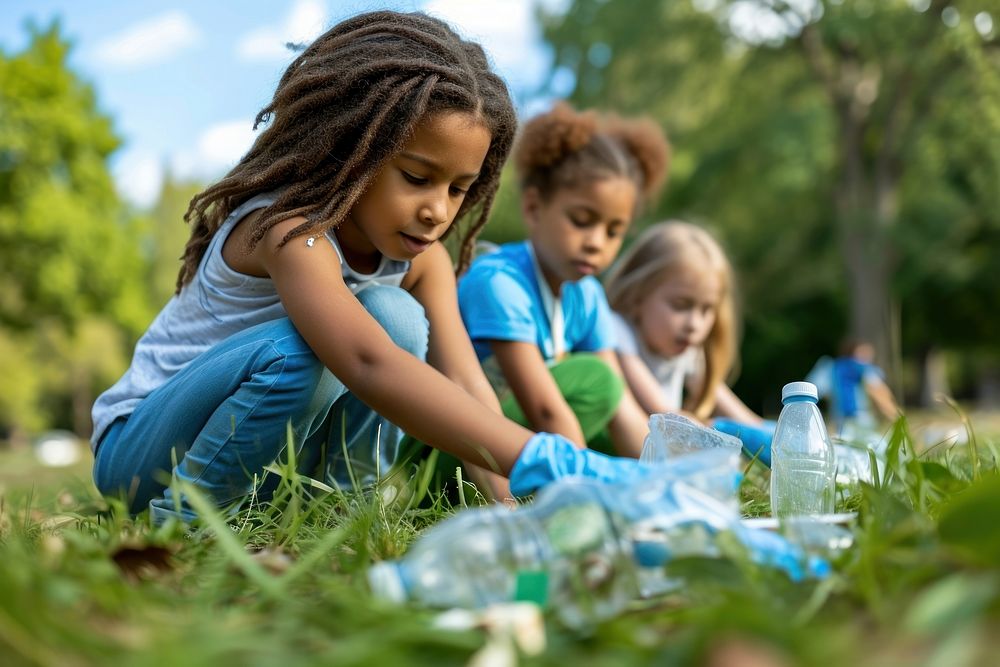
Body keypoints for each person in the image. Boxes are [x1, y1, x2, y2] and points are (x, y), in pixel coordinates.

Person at [90, 11, 649, 522]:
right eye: (416, 177)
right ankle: (185, 520)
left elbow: (464, 385)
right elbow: (365, 361)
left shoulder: (424, 262)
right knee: (304, 352)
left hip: (262, 464)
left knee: (395, 314)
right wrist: (548, 459)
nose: (438, 211)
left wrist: (514, 512)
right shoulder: (289, 233)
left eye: (459, 188)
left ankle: (337, 509)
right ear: (354, 148)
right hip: (141, 454)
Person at [458, 102, 669, 459]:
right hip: (463, 444)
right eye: (582, 220)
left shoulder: (587, 294)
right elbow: (545, 409)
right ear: (534, 207)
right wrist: (587, 483)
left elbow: (622, 408)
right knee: (595, 380)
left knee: (610, 420)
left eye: (614, 231)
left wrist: (660, 477)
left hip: (523, 438)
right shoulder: (499, 281)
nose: (596, 242)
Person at [602, 221, 773, 461]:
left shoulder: (686, 351)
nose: (694, 324)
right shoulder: (617, 331)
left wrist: (772, 437)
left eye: (706, 310)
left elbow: (742, 417)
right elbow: (667, 416)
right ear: (636, 296)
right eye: (680, 306)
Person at [806, 339, 900, 441]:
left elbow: (815, 389)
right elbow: (879, 393)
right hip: (860, 419)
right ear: (853, 353)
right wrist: (897, 416)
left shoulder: (832, 367)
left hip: (839, 421)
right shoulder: (861, 369)